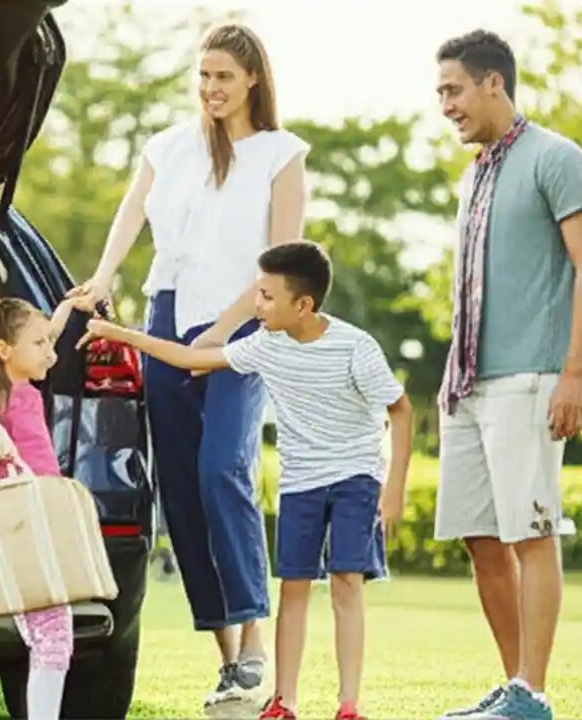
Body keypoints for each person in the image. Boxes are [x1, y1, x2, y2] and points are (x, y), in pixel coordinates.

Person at [69, 22, 309, 708]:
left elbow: (283, 257)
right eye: (203, 75)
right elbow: (129, 217)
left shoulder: (280, 154)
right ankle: (228, 656)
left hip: (239, 326)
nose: (210, 89)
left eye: (224, 77)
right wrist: (102, 278)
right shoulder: (168, 147)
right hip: (167, 313)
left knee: (221, 470)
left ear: (253, 79)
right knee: (180, 485)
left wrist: (225, 333)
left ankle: (254, 633)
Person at [79, 241, 415, 720]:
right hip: (301, 482)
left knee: (345, 583)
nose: (255, 305)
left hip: (355, 477)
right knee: (294, 587)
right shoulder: (265, 344)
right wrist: (120, 333)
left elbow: (401, 411)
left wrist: (393, 487)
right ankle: (286, 701)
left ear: (303, 305)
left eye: (266, 296)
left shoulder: (355, 348)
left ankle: (348, 705)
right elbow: (181, 357)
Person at [432, 31, 582, 720]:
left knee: (529, 534)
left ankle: (533, 692)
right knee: (482, 539)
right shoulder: (475, 173)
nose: (445, 105)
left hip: (531, 379)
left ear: (493, 83)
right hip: (467, 387)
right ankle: (513, 688)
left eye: (453, 90)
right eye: (441, 92)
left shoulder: (557, 158)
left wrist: (577, 373)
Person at [0, 295, 91, 720]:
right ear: (5, 351)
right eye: (40, 344)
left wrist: (68, 308)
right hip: (22, 520)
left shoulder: (27, 386)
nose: (50, 352)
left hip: (43, 513)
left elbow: (51, 332)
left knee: (54, 632)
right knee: (51, 633)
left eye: (50, 342)